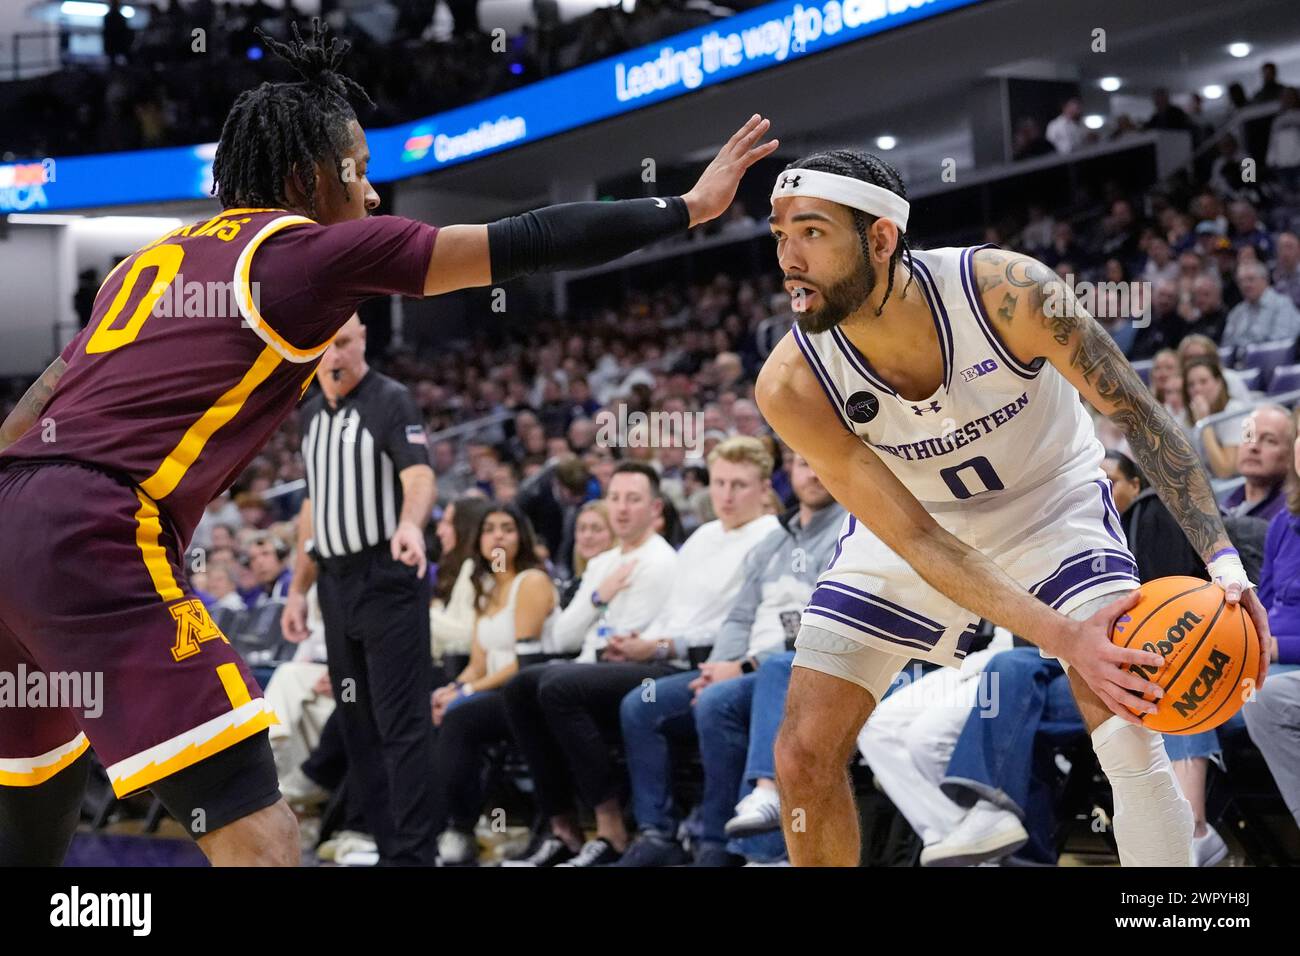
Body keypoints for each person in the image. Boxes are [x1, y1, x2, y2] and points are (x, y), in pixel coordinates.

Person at [0, 17, 775, 866]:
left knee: (32, 786)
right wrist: (687, 208)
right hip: (92, 524)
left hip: (13, 512)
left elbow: (44, 392)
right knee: (254, 824)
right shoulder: (306, 255)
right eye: (359, 171)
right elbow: (525, 241)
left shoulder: (149, 261)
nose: (371, 194)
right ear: (304, 176)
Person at [755, 148, 1270, 867]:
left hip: (1050, 505)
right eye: (779, 234)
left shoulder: (1009, 292)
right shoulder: (790, 384)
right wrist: (1063, 637)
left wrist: (1225, 565)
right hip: (915, 531)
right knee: (801, 753)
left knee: (1127, 723)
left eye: (810, 231)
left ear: (880, 239)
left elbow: (1146, 420)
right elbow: (918, 540)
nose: (788, 256)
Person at [614, 454, 843, 866]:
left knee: (724, 702)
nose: (812, 472)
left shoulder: (850, 531)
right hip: (739, 666)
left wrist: (739, 667)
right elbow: (739, 616)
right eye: (802, 463)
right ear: (788, 473)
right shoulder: (775, 540)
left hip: (799, 668)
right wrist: (714, 671)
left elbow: (824, 624)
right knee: (641, 705)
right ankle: (659, 834)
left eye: (819, 461)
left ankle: (725, 843)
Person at [281, 315, 441, 866]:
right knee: (358, 726)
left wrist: (410, 525)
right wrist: (299, 590)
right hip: (333, 582)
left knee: (402, 724)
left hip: (387, 575)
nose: (334, 356)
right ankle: (385, 844)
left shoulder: (390, 400)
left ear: (364, 338)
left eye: (344, 342)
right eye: (324, 345)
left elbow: (418, 475)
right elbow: (312, 506)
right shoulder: (308, 416)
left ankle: (416, 856)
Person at [431, 503, 557, 865]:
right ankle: (437, 825)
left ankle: (460, 828)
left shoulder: (531, 582)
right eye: (489, 529)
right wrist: (453, 688)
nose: (497, 535)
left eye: (507, 528)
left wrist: (469, 691)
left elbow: (524, 658)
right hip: (492, 690)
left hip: (528, 692)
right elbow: (477, 663)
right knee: (437, 708)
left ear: (522, 537)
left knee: (460, 718)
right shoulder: (485, 587)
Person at [1182, 356, 1252, 479]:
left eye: (1203, 381)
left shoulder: (1234, 410)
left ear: (1219, 383)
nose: (1197, 389)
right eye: (1191, 385)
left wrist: (1204, 422)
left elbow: (1226, 470)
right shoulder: (1189, 417)